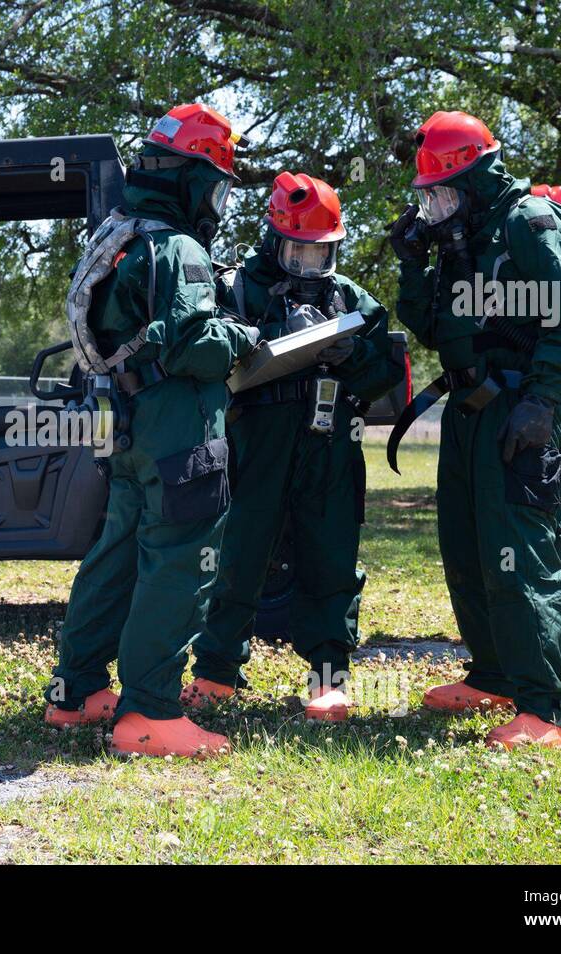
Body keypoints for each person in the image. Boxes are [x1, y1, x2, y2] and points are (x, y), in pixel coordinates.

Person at [387, 111, 561, 749]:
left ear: (472, 179)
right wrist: (413, 264)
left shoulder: (527, 222)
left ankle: (548, 711)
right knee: (468, 549)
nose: (432, 207)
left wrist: (543, 402)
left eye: (439, 193)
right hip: (471, 411)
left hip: (522, 413)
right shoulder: (462, 238)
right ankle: (494, 675)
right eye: (426, 196)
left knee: (521, 556)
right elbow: (434, 328)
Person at [44, 104, 259, 759]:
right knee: (178, 565)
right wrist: (242, 337)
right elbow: (193, 343)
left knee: (114, 557)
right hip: (179, 431)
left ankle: (75, 693)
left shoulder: (122, 233)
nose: (218, 200)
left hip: (132, 424)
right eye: (217, 184)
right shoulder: (180, 247)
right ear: (193, 178)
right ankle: (150, 715)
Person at [184, 172, 402, 719]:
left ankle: (328, 679)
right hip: (257, 443)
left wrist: (353, 355)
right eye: (298, 252)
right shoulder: (239, 288)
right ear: (274, 239)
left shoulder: (351, 296)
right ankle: (216, 673)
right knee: (239, 553)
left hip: (330, 446)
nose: (310, 264)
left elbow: (385, 376)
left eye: (321, 253)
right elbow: (213, 360)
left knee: (330, 558)